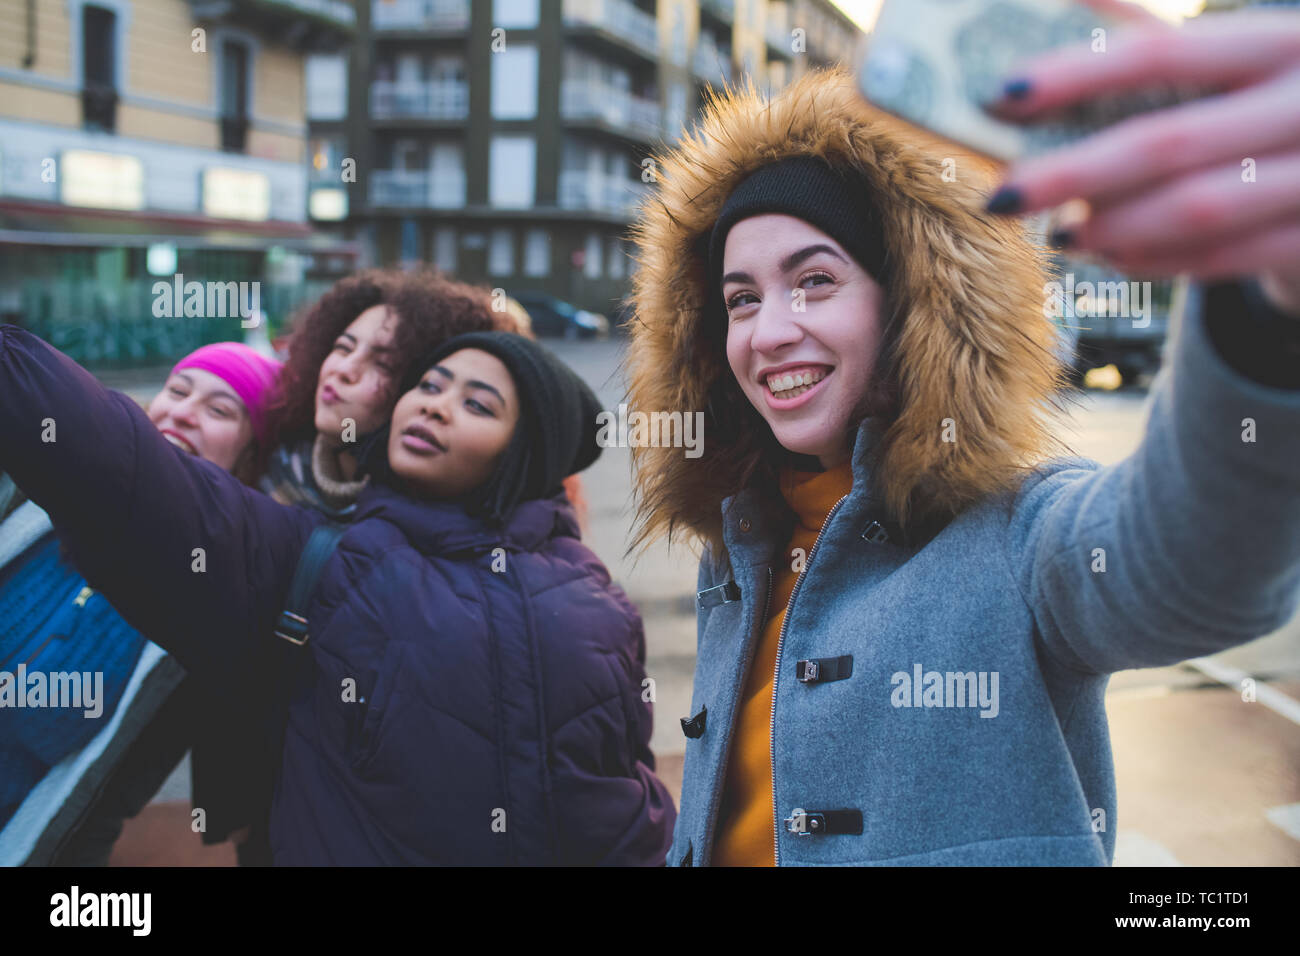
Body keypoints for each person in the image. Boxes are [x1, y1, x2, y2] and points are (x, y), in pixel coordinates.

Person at [622, 21, 1300, 868]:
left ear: (911, 304)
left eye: (816, 280)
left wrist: (1269, 308)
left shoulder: (1022, 537)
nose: (769, 333)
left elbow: (1202, 571)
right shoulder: (740, 544)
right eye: (741, 298)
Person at [0, 328, 675, 865]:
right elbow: (130, 470)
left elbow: (620, 792)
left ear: (522, 454)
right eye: (429, 385)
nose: (435, 403)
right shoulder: (313, 559)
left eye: (477, 404)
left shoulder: (599, 604)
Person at [0, 342, 281, 865]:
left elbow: (100, 806)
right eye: (177, 390)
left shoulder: (210, 624)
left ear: (251, 454)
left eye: (219, 409)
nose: (183, 411)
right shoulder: (34, 484)